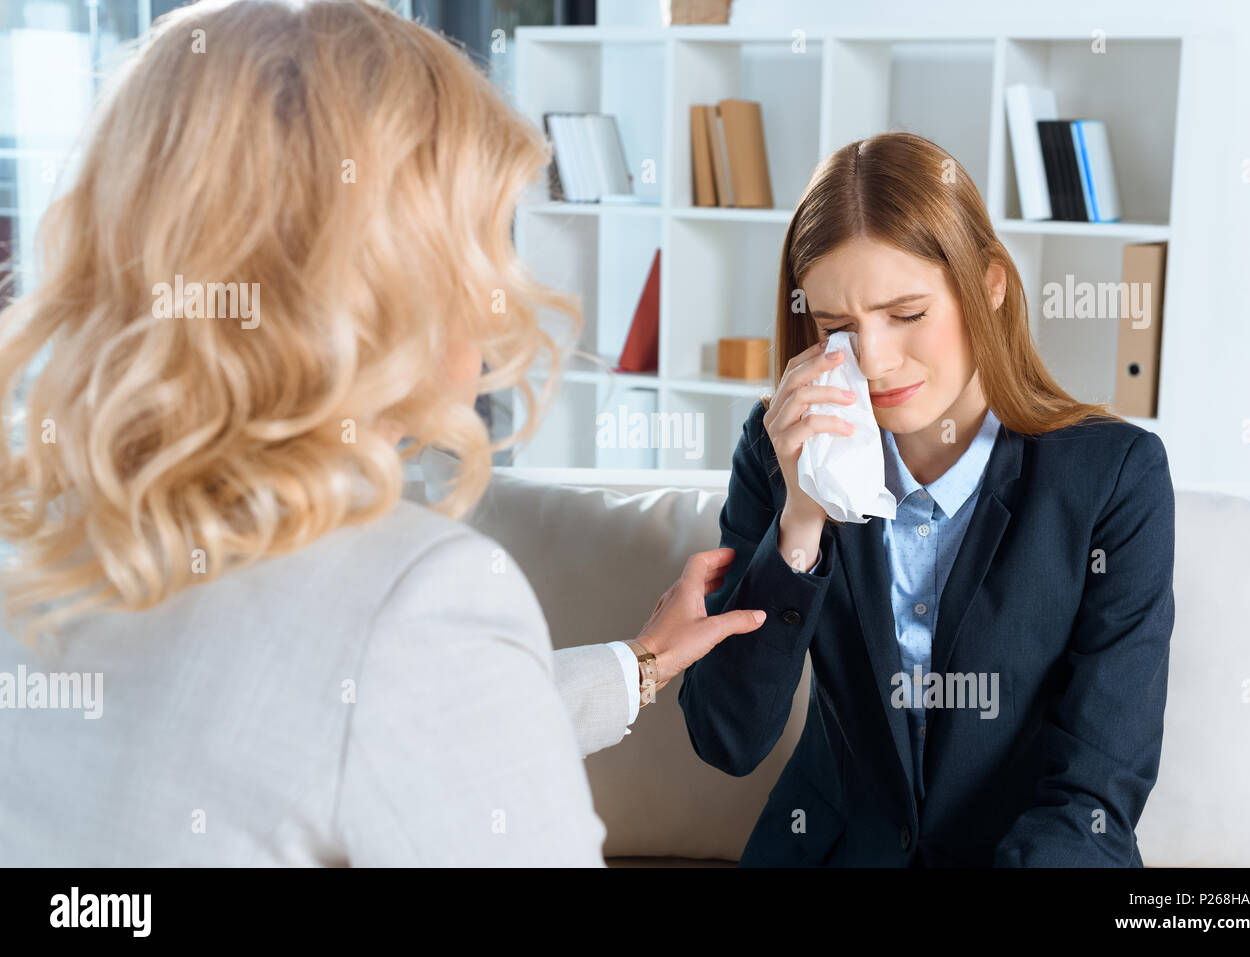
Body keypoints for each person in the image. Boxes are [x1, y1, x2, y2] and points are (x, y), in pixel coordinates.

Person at [0, 0, 763, 866]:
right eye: (479, 242)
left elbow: (335, 737)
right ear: (382, 281)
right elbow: (379, 708)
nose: (501, 289)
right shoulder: (414, 599)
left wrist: (642, 664)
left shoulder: (50, 548)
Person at [679, 132, 1175, 867]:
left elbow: (1095, 792)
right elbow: (728, 738)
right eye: (837, 327)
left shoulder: (1113, 476)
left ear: (990, 285)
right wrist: (801, 520)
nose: (874, 360)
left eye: (905, 314)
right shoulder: (777, 450)